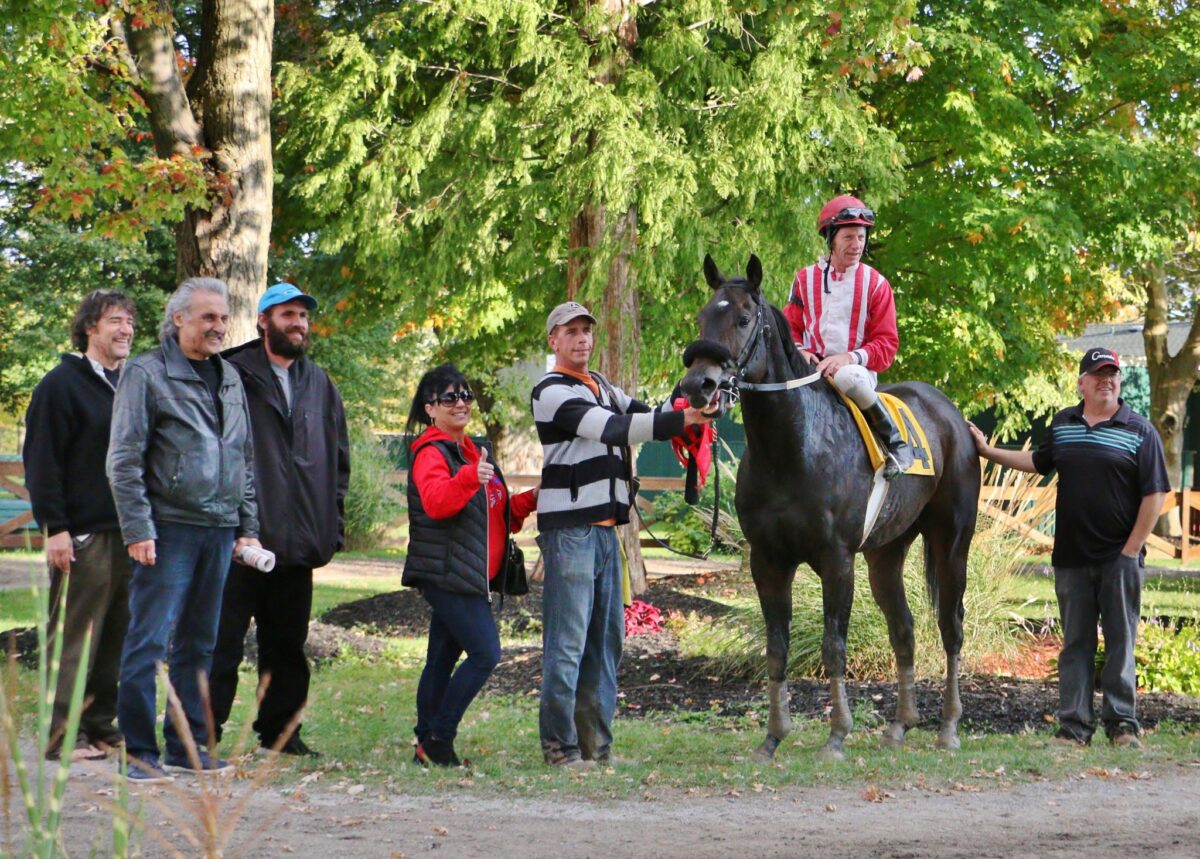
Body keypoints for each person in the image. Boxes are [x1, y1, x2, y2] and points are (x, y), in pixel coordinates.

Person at [531, 301, 712, 768]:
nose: (582, 339)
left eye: (587, 330)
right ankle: (560, 748)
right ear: (553, 340)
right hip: (569, 530)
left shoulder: (604, 387)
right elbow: (613, 429)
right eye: (570, 331)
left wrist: (693, 396)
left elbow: (648, 414)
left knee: (605, 643)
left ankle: (597, 749)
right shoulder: (550, 390)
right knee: (568, 645)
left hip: (607, 532)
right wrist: (680, 419)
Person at [967, 347, 1169, 748]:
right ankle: (1074, 728)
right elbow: (1038, 462)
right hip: (1071, 558)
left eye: (1112, 374)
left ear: (1119, 382)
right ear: (1082, 383)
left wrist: (1131, 549)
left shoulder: (1140, 430)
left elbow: (1156, 495)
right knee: (1075, 645)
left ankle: (1122, 727)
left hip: (1119, 559)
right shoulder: (1064, 424)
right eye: (1097, 374)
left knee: (1120, 642)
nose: (1105, 380)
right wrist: (988, 452)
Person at [107, 277, 261, 782]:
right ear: (179, 320)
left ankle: (185, 746)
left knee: (200, 644)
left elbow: (245, 459)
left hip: (219, 528)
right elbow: (124, 460)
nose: (218, 326)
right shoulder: (147, 373)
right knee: (148, 642)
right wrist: (137, 528)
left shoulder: (232, 378)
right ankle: (138, 752)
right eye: (207, 317)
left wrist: (247, 528)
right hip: (167, 528)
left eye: (222, 317)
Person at [209, 282, 350, 758]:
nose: (298, 323)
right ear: (263, 321)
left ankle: (281, 734)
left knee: (288, 646)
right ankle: (203, 734)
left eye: (304, 316)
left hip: (297, 543)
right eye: (287, 314)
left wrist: (332, 524)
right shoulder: (229, 373)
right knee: (220, 645)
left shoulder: (320, 383)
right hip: (239, 541)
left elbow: (338, 461)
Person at [401, 363, 538, 767]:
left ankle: (426, 741)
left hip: (470, 572)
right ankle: (440, 738)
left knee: (441, 659)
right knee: (485, 653)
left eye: (465, 395)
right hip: (448, 572)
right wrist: (469, 478)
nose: (461, 402)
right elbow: (438, 502)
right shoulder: (431, 453)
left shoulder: (475, 452)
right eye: (449, 396)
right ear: (431, 408)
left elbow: (497, 514)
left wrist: (532, 499)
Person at [23, 290, 136, 762]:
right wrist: (56, 528)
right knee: (74, 636)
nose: (125, 329)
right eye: (115, 320)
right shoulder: (60, 385)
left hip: (130, 532)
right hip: (83, 533)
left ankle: (98, 724)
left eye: (130, 321)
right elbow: (42, 462)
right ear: (90, 327)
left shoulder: (132, 384)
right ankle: (60, 735)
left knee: (117, 634)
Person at [783, 194, 913, 478]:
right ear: (831, 238)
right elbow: (789, 327)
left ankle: (896, 444)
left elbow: (887, 345)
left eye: (861, 237)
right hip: (811, 369)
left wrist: (846, 358)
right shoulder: (804, 279)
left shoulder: (877, 284)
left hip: (857, 373)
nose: (857, 245)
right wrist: (799, 348)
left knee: (847, 376)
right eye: (848, 237)